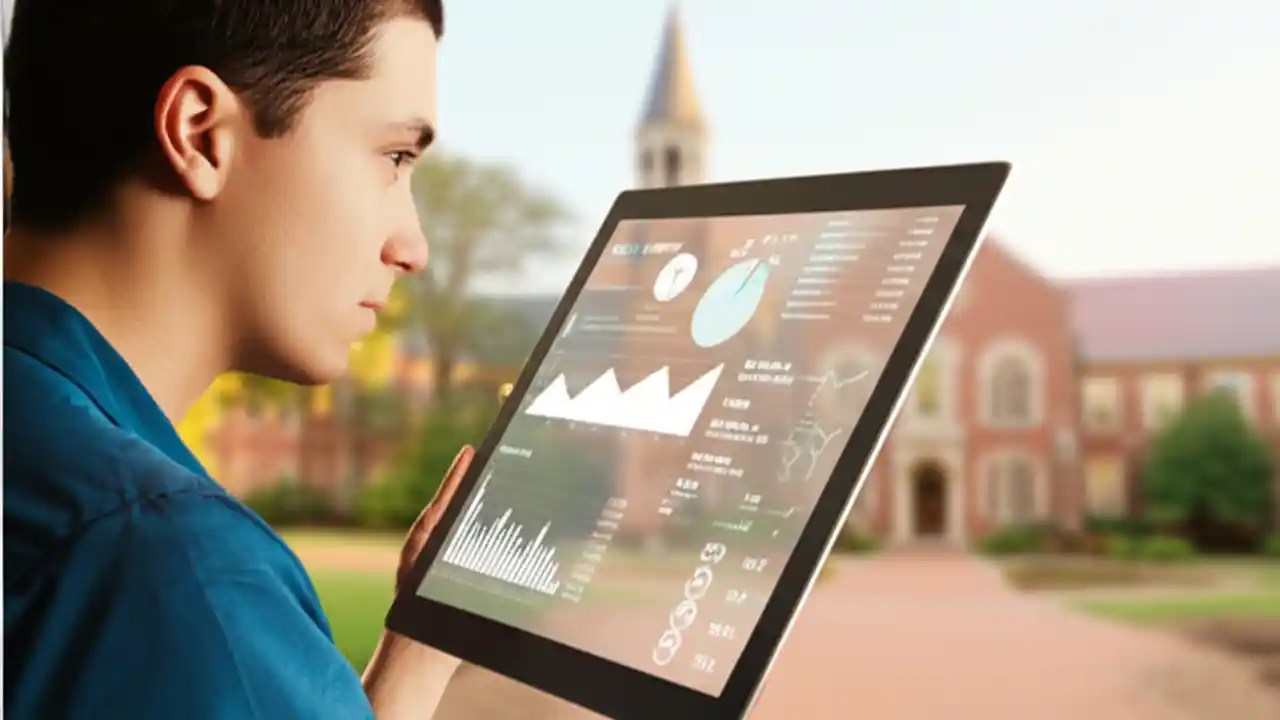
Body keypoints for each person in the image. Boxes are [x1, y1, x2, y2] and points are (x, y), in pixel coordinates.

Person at [2, 1, 476, 717]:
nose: (413, 247)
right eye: (395, 157)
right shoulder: (169, 563)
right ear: (200, 133)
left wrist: (422, 641)